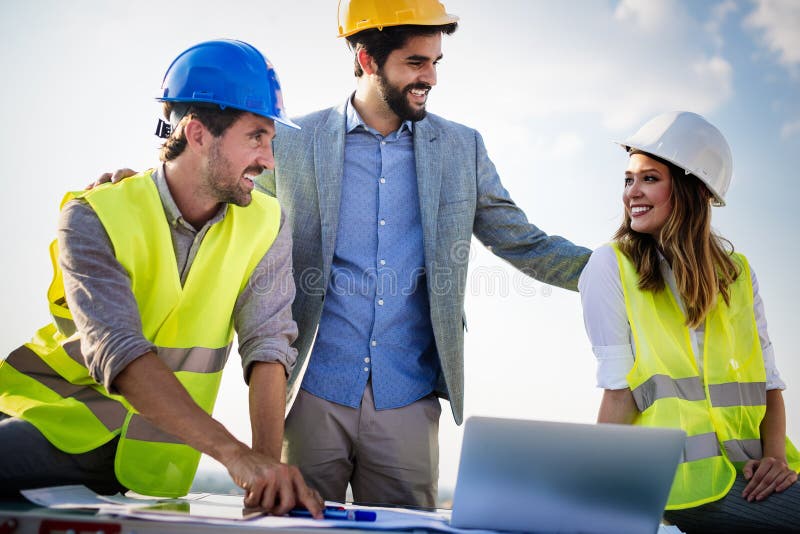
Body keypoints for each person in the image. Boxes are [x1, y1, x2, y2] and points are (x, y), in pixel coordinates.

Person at [94, 0, 591, 507]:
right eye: (415, 63)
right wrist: (149, 189)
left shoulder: (462, 149)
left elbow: (523, 240)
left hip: (409, 398)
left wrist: (617, 270)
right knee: (293, 521)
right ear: (368, 59)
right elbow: (221, 193)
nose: (431, 78)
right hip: (310, 391)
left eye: (435, 63)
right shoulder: (290, 143)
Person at [0, 39, 323, 518]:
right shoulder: (93, 215)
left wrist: (267, 471)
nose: (269, 159)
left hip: (156, 464)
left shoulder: (266, 223)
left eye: (271, 140)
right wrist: (238, 457)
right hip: (53, 423)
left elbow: (269, 347)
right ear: (196, 133)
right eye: (256, 137)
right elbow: (121, 354)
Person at [578, 110, 800, 533]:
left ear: (692, 189)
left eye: (649, 178)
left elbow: (769, 382)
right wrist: (594, 494)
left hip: (754, 470)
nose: (632, 193)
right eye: (629, 179)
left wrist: (775, 458)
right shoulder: (610, 266)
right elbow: (619, 393)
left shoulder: (737, 272)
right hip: (679, 483)